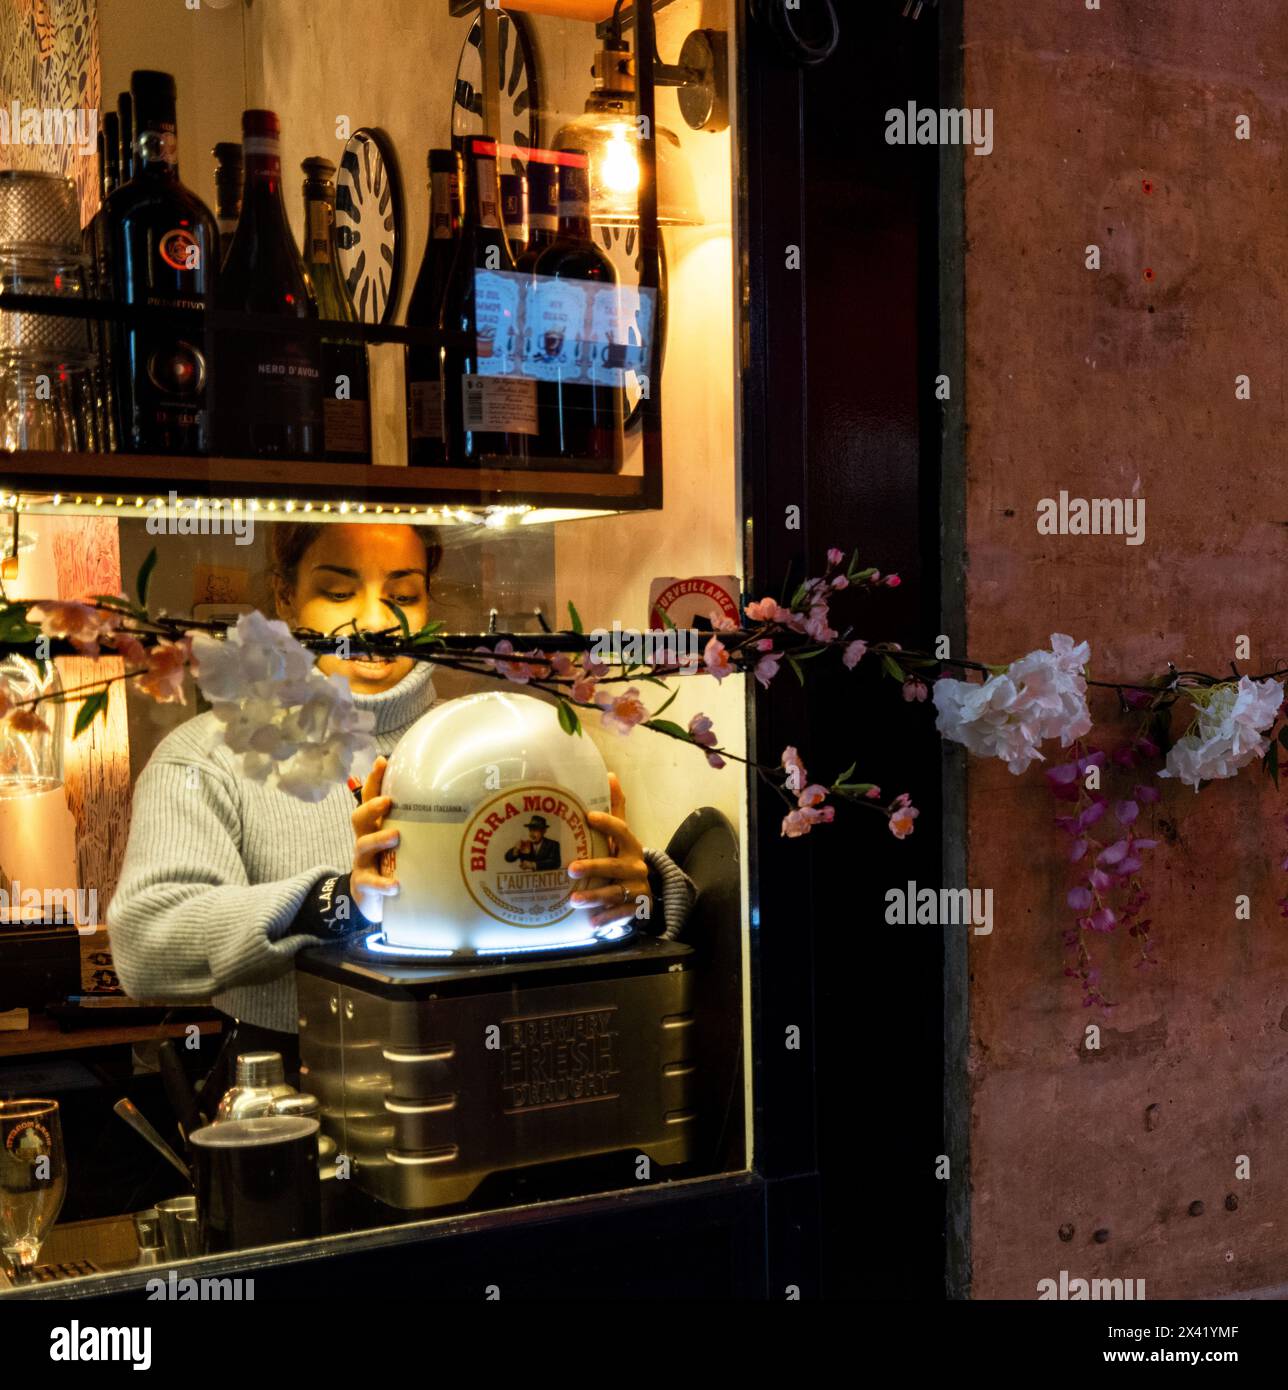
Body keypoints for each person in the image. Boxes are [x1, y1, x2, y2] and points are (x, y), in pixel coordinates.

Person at [107, 522, 695, 1106]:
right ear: (285, 597)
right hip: (294, 1091)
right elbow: (146, 945)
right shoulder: (209, 754)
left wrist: (639, 900)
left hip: (503, 1075)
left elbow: (561, 900)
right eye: (338, 593)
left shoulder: (506, 738)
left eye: (404, 594)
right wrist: (333, 904)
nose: (376, 621)